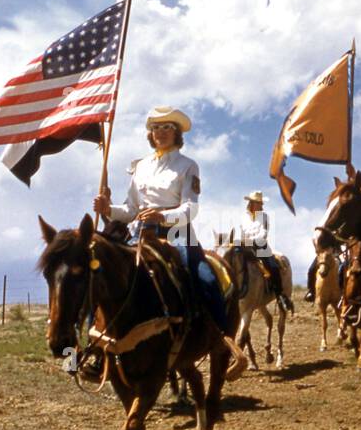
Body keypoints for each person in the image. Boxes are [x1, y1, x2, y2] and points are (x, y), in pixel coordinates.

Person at [92, 106, 246, 377]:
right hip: (139, 234)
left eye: (167, 128)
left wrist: (162, 216)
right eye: (156, 128)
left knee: (205, 278)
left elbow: (191, 208)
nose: (161, 133)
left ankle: (223, 339)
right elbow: (129, 209)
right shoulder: (140, 167)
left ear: (176, 133)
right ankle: (93, 347)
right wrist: (108, 209)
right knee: (101, 275)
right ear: (150, 134)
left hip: (177, 234)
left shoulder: (188, 165)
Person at [239, 190, 294, 312]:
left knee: (272, 265)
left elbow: (264, 233)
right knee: (235, 260)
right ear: (251, 203)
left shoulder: (264, 217)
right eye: (256, 202)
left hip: (260, 246)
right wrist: (243, 241)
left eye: (260, 203)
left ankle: (280, 296)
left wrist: (253, 241)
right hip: (246, 246)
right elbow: (242, 233)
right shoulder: (244, 217)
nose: (259, 205)